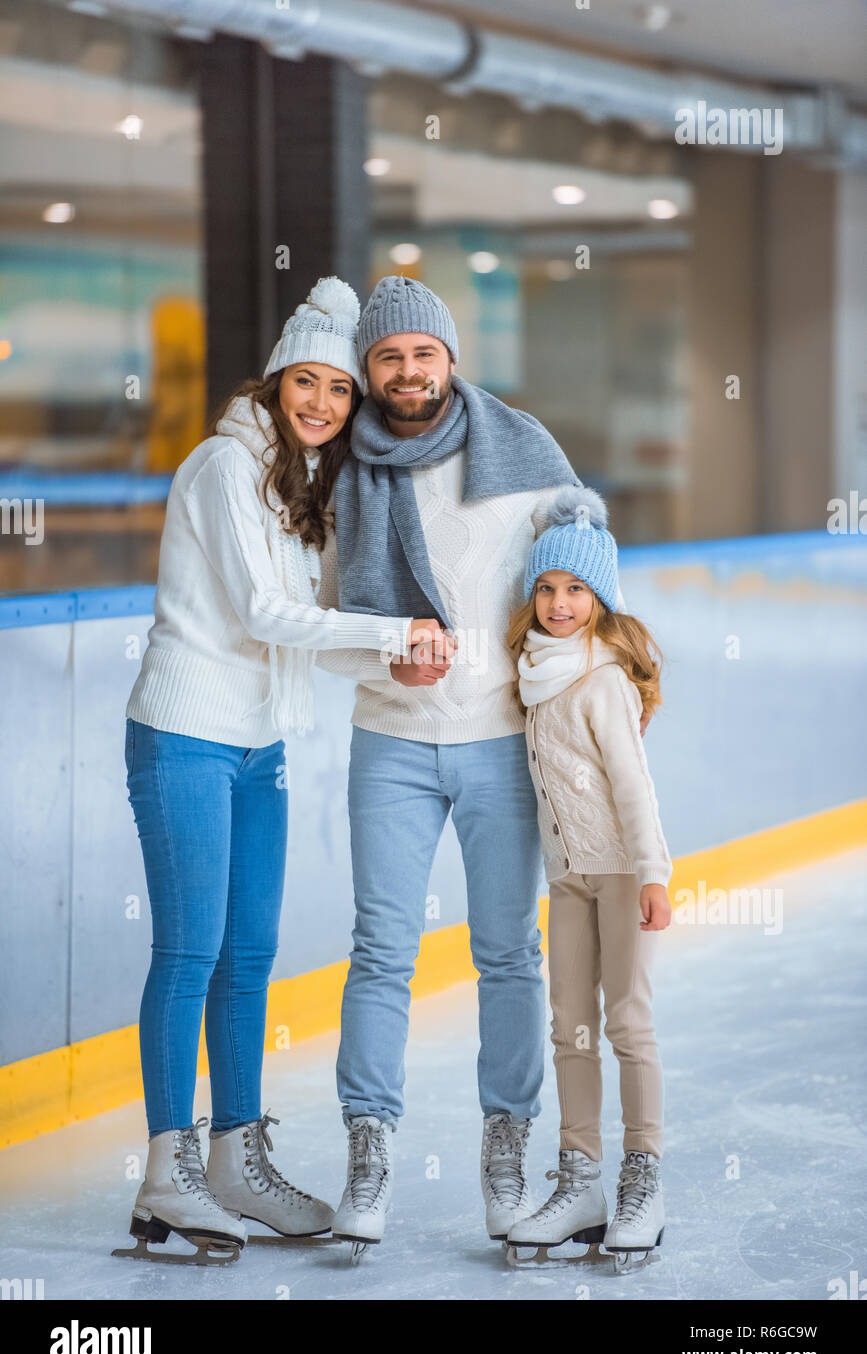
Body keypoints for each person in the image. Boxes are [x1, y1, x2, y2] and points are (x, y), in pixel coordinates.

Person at [120, 277, 443, 1264]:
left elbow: (299, 643)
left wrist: (394, 655)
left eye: (341, 392)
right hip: (184, 736)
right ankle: (166, 1171)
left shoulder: (301, 486)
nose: (323, 404)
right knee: (189, 951)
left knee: (249, 955)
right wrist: (391, 627)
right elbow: (265, 614)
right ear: (276, 383)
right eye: (308, 382)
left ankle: (235, 1160)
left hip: (258, 750)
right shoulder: (224, 467)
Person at [313, 274, 622, 1255]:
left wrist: (581, 689)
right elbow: (319, 623)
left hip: (499, 743)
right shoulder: (344, 476)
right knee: (380, 950)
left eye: (424, 353)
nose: (409, 371)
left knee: (506, 953)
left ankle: (506, 1147)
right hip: (391, 740)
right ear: (370, 371)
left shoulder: (525, 453)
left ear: (451, 359)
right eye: (389, 357)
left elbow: (584, 574)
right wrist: (382, 648)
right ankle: (368, 1153)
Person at [504, 485, 672, 1273]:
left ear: (599, 598)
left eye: (575, 590)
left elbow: (633, 787)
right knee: (568, 1026)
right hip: (566, 878)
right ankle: (579, 1183)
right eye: (546, 588)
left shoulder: (599, 679)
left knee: (626, 1025)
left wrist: (652, 875)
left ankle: (643, 1178)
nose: (559, 603)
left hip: (619, 875)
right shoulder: (532, 671)